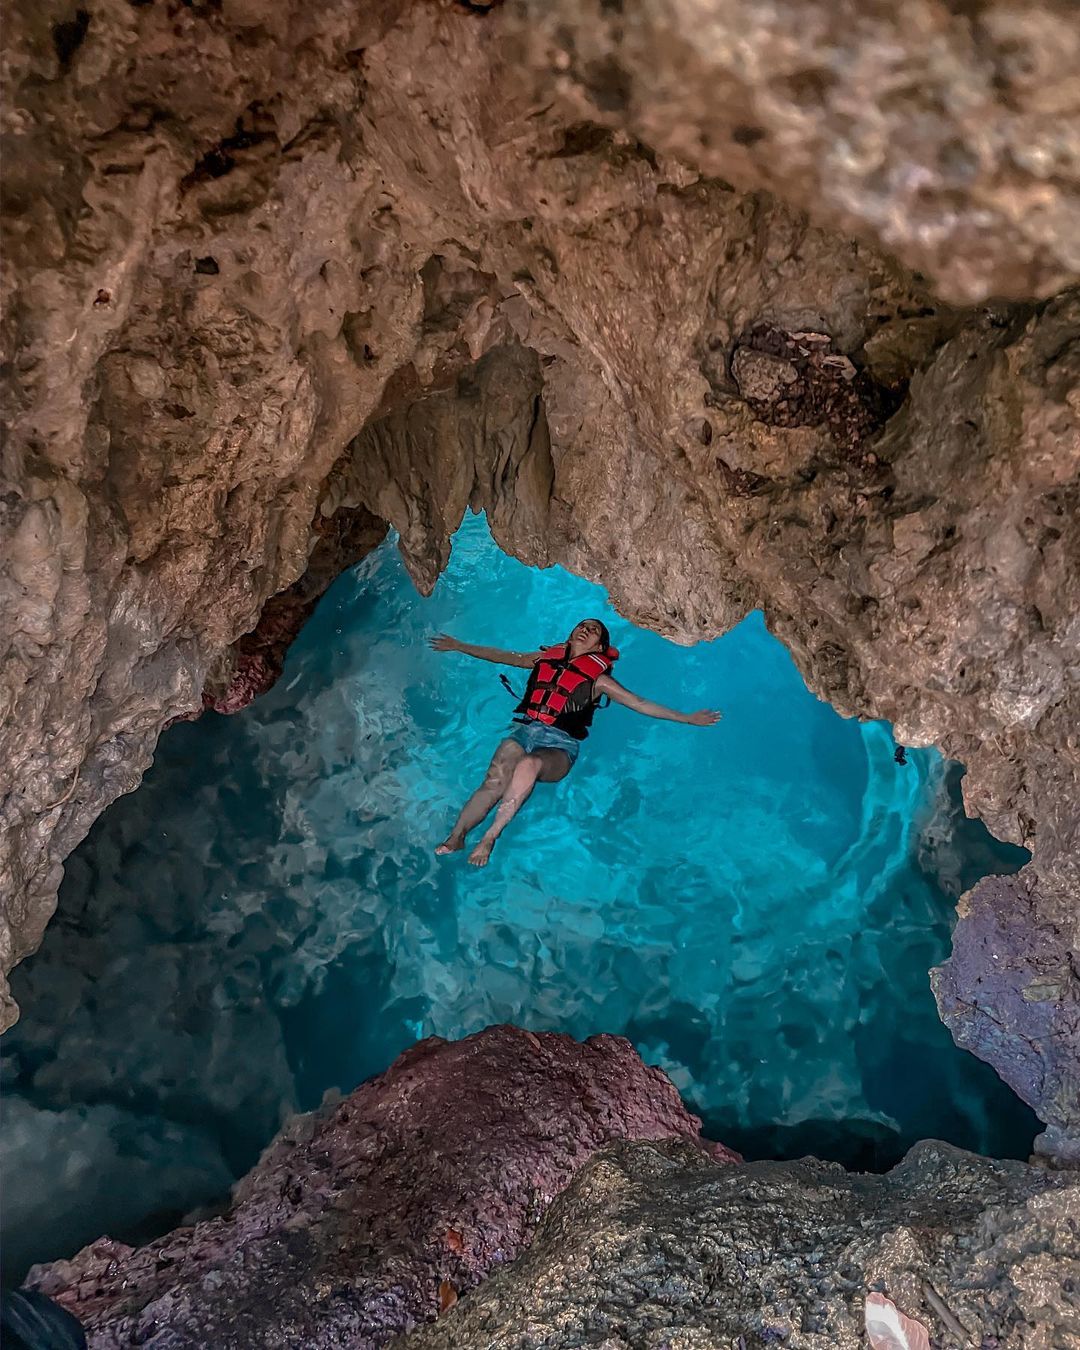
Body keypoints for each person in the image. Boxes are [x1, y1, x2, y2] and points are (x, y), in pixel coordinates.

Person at [429, 618, 721, 866]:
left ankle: (490, 836)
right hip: (525, 731)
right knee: (494, 781)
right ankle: (457, 837)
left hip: (560, 746)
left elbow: (639, 703)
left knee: (530, 764)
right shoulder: (543, 659)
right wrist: (459, 645)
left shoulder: (599, 681)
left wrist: (686, 718)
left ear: (599, 648)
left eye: (593, 630)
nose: (585, 629)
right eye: (582, 625)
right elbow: (503, 655)